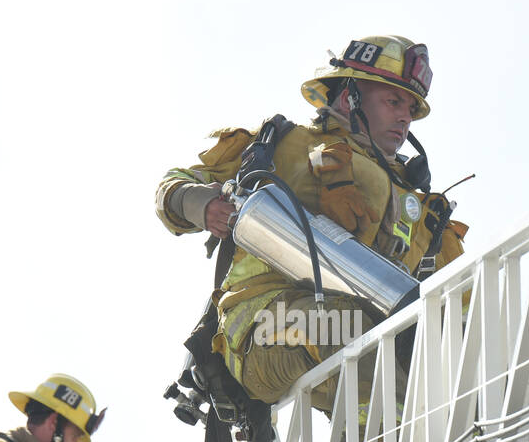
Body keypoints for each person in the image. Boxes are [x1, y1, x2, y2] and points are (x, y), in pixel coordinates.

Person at [155, 35, 469, 410]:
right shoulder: (287, 145)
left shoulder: (421, 211)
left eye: (411, 108)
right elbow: (171, 186)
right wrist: (203, 205)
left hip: (356, 329)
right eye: (393, 100)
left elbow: (463, 308)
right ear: (347, 95)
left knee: (442, 341)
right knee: (354, 329)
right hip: (260, 328)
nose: (405, 116)